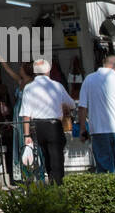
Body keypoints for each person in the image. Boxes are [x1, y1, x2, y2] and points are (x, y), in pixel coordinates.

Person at [21, 57, 75, 185]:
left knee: (45, 155)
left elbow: (26, 114)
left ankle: (51, 182)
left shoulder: (28, 88)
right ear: (48, 70)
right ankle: (57, 185)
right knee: (56, 158)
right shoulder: (57, 86)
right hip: (53, 126)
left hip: (37, 127)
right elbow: (71, 104)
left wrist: (26, 135)